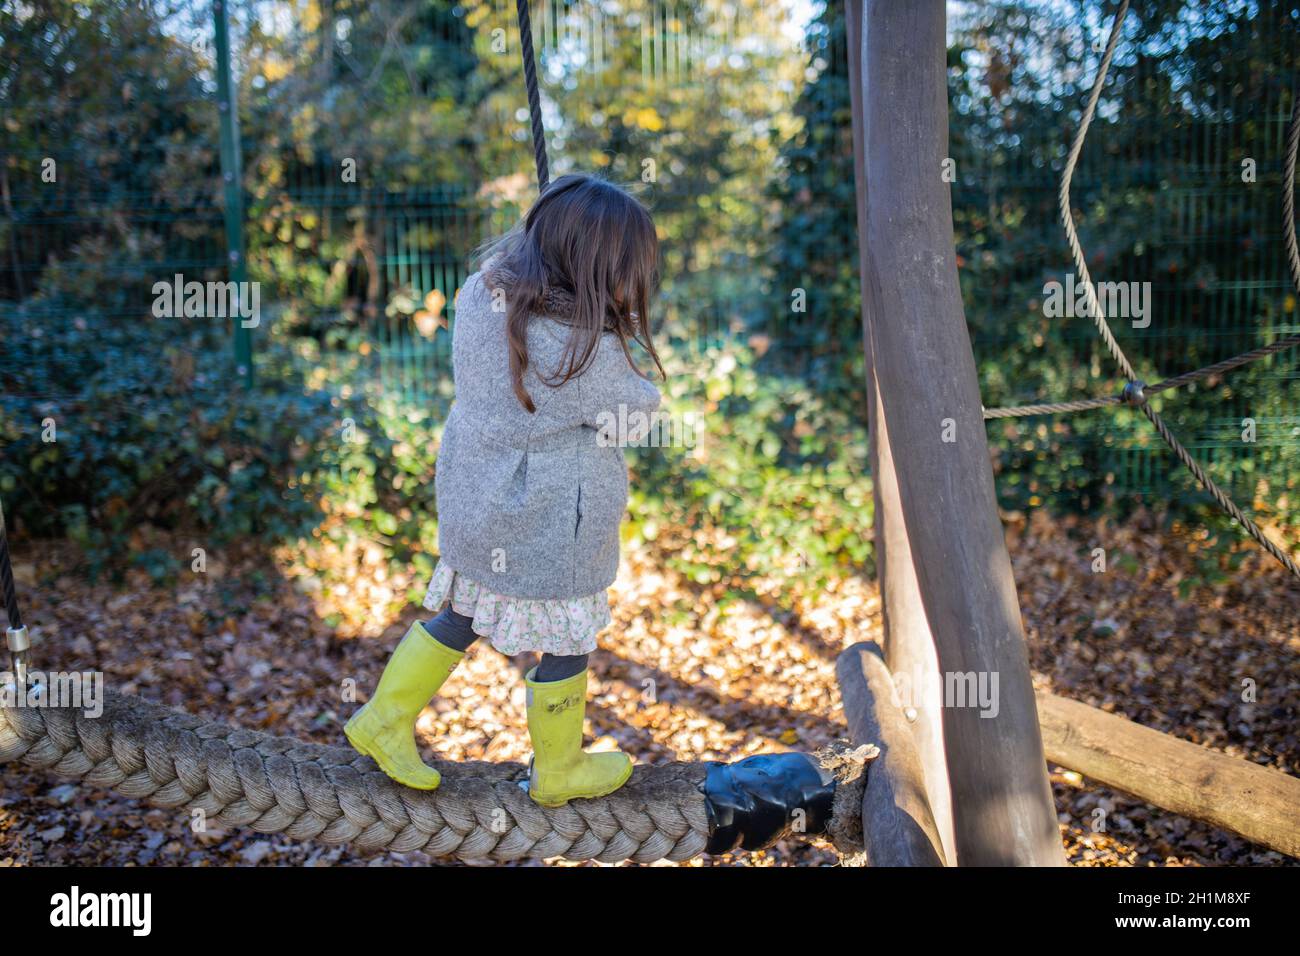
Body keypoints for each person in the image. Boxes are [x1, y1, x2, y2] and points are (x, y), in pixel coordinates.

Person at [345, 174, 664, 807]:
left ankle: (383, 716)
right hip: (550, 524)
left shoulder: (479, 294)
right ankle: (559, 767)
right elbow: (644, 415)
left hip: (478, 501)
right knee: (568, 636)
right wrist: (611, 337)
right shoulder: (586, 355)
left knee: (460, 614)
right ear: (601, 272)